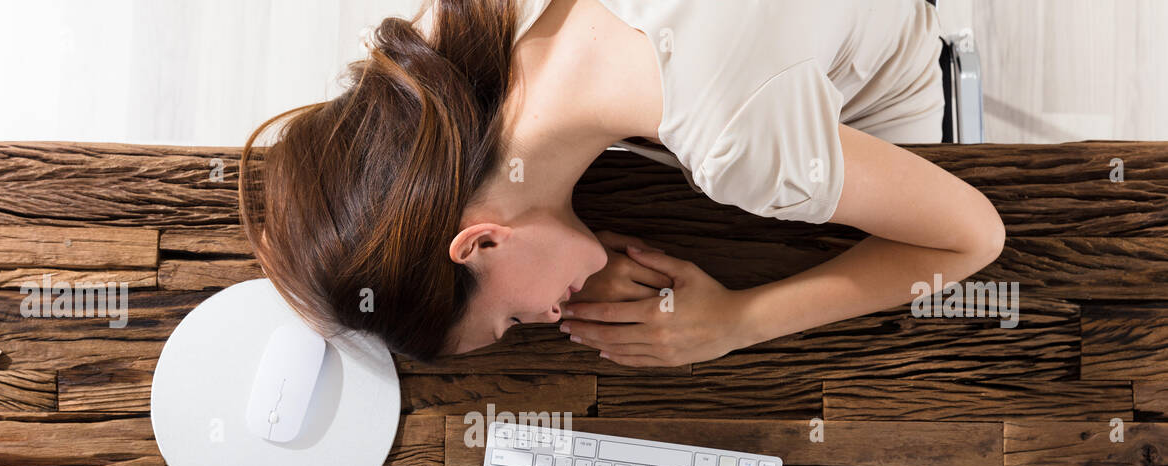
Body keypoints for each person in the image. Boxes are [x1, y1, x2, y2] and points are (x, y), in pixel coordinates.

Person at [240, 0, 1004, 367]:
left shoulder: (740, 145)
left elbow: (970, 237)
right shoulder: (456, 31)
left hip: (886, 82)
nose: (548, 316)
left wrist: (736, 323)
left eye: (513, 322)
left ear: (480, 238)